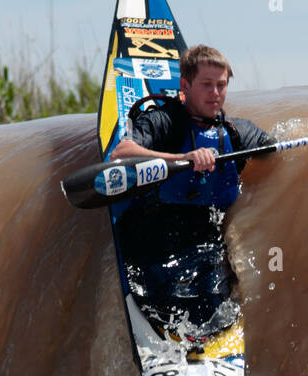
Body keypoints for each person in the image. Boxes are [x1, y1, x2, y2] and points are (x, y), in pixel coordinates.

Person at [109, 44, 275, 338]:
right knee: (169, 314)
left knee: (217, 318)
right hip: (154, 235)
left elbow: (275, 151)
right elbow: (121, 153)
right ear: (185, 86)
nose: (215, 93)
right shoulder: (165, 121)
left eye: (221, 85)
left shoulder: (237, 133)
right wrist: (183, 159)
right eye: (206, 85)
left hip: (206, 243)